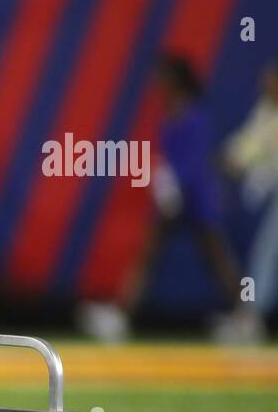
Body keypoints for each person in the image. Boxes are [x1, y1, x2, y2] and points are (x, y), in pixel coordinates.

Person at [79, 54, 246, 342]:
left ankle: (246, 319)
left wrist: (174, 185)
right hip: (173, 199)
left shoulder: (195, 115)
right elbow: (170, 160)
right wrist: (164, 184)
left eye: (163, 77)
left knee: (217, 257)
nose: (157, 84)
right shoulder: (168, 115)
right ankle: (120, 316)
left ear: (176, 81)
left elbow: (195, 163)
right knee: (148, 253)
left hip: (197, 197)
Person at [221, 58, 278, 341]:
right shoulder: (266, 111)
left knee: (268, 250)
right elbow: (249, 144)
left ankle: (251, 318)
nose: (267, 82)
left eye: (273, 77)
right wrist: (233, 157)